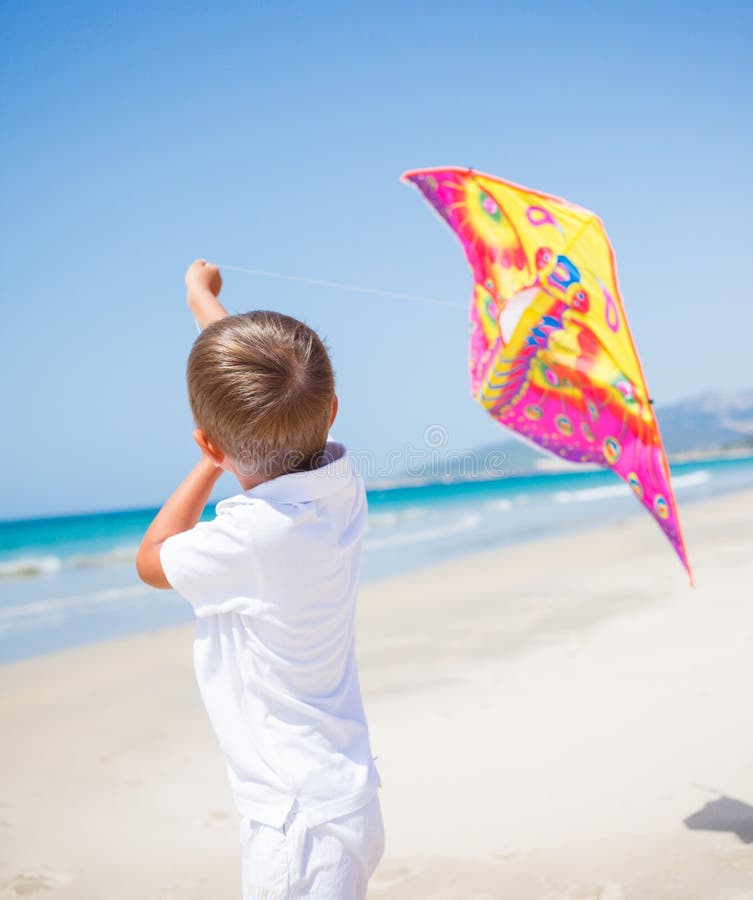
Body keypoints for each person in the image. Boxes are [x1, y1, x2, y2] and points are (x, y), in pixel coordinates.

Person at [136, 260, 384, 899]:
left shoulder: (253, 535)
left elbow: (153, 559)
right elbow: (274, 386)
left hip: (294, 820)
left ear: (211, 444)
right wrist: (203, 304)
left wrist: (207, 464)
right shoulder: (340, 480)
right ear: (331, 411)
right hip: (343, 794)